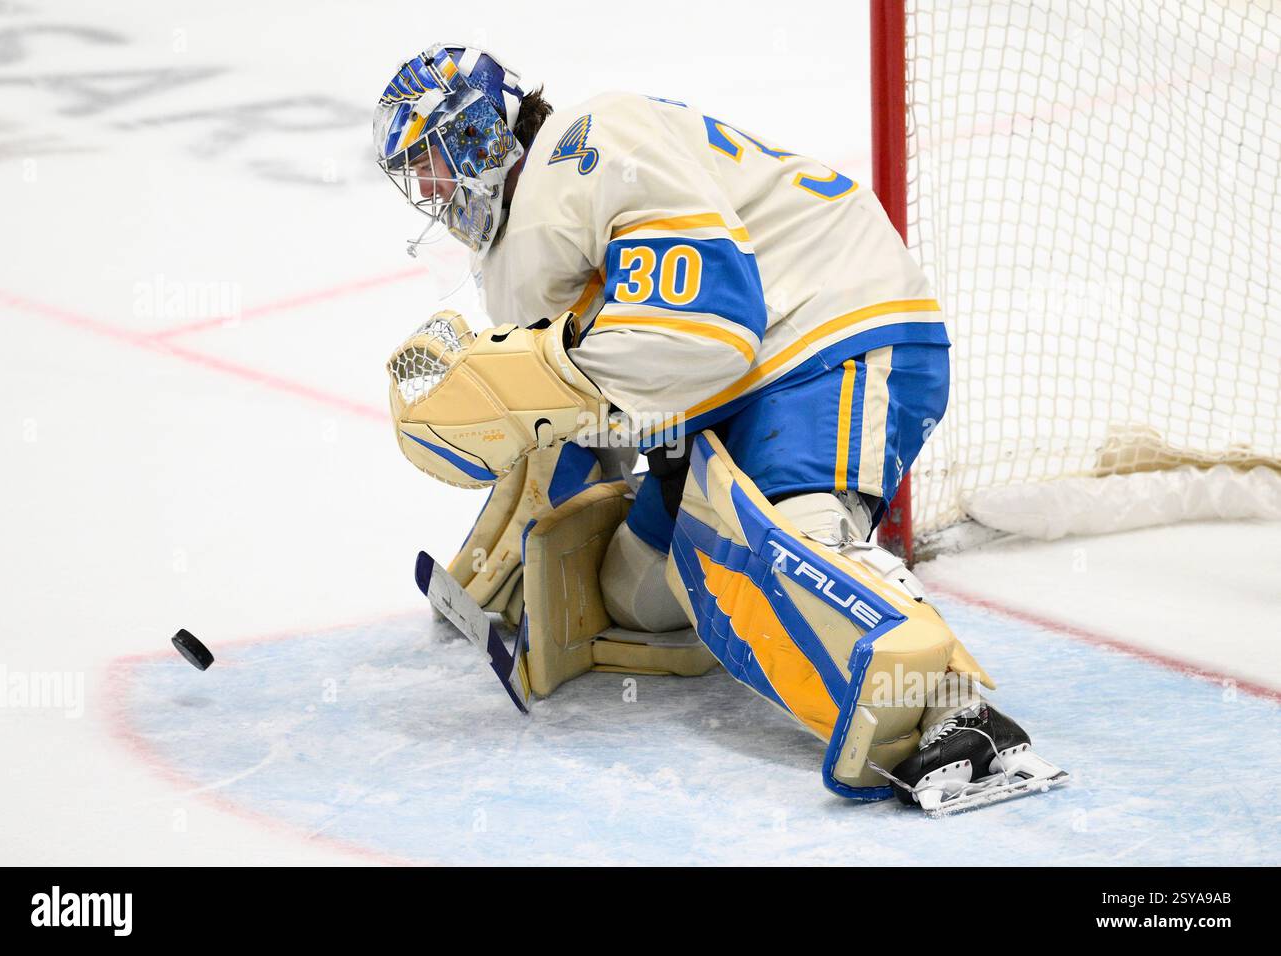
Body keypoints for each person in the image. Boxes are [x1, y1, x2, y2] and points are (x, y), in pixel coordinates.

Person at [375, 44, 1066, 811]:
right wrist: (510, 569)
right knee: (636, 596)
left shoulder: (587, 144)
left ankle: (951, 707)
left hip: (827, 324)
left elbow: (713, 324)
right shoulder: (519, 237)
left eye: (434, 158)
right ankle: (799, 603)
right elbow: (580, 414)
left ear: (479, 134)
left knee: (784, 531)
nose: (430, 187)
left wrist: (530, 383)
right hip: (733, 387)